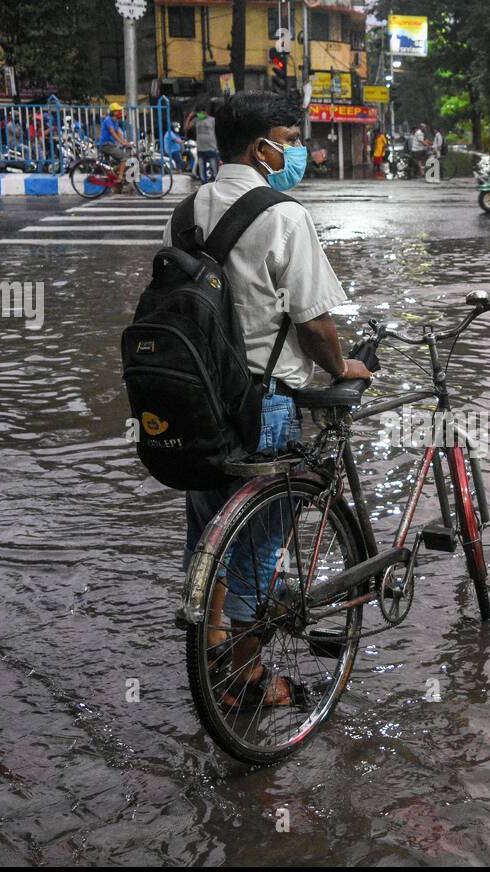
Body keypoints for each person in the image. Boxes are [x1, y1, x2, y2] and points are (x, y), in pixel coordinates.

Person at [162, 91, 372, 709]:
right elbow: (314, 323)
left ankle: (213, 644)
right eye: (289, 137)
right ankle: (249, 679)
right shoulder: (284, 216)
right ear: (261, 148)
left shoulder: (185, 212)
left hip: (200, 401)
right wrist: (342, 366)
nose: (297, 150)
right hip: (264, 402)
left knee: (209, 530)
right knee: (258, 545)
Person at [99, 102, 132, 188]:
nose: (121, 112)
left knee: (124, 161)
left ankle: (113, 171)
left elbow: (118, 133)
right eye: (118, 111)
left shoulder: (116, 121)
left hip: (111, 145)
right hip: (106, 145)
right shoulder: (108, 120)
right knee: (124, 158)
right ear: (114, 112)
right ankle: (120, 178)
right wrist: (122, 143)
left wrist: (125, 142)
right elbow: (113, 133)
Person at [195, 108, 219, 183]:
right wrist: (190, 116)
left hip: (211, 148)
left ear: (205, 112)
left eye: (201, 112)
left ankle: (217, 183)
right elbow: (186, 127)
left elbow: (219, 130)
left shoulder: (212, 120)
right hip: (200, 149)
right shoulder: (196, 120)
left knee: (214, 169)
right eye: (198, 113)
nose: (199, 114)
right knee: (202, 170)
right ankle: (203, 184)